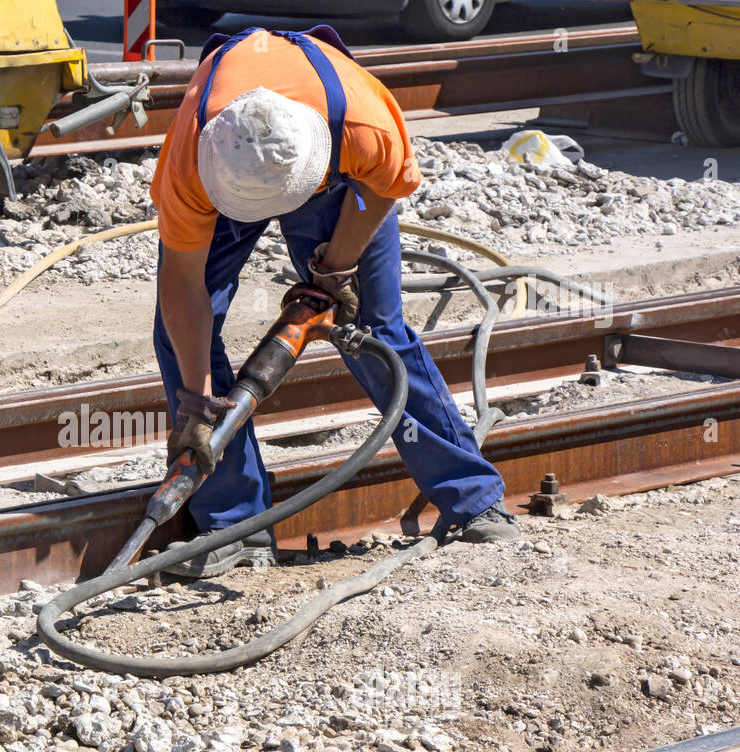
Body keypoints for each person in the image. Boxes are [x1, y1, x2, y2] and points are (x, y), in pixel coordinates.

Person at [150, 25, 518, 578]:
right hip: (229, 178)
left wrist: (334, 270)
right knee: (180, 341)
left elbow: (385, 186)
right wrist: (198, 405)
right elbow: (184, 292)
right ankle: (234, 525)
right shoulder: (191, 163)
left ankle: (472, 498)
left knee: (375, 332)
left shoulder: (364, 125)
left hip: (329, 176)